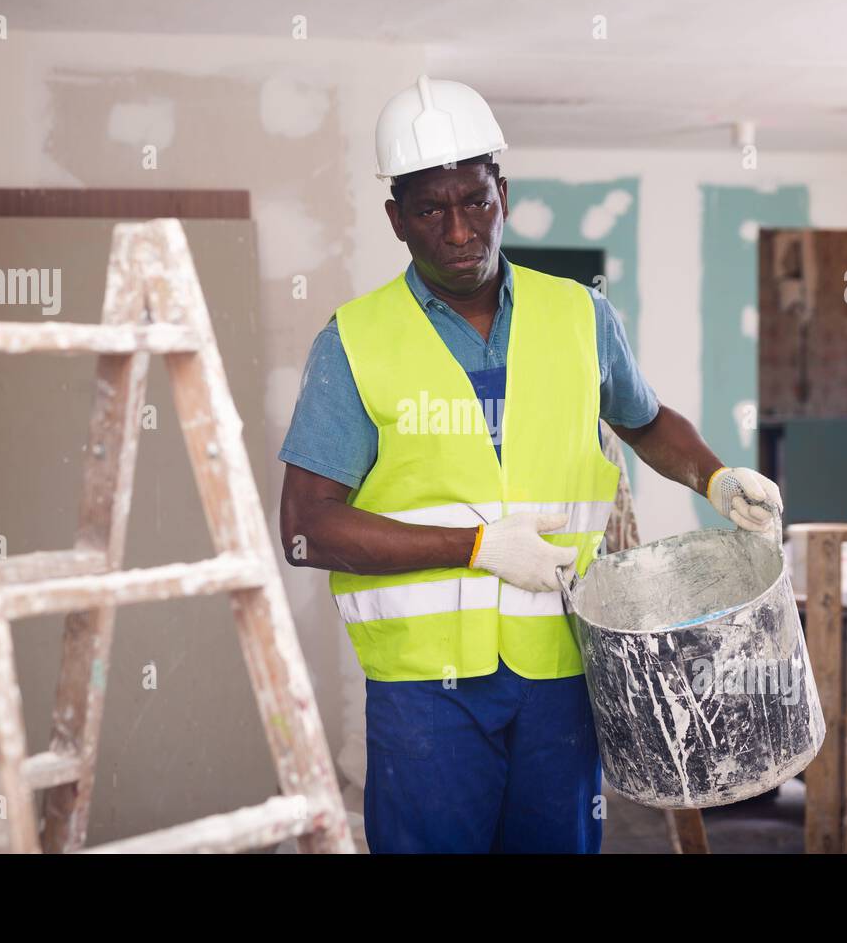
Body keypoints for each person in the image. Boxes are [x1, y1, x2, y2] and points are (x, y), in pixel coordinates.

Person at [278, 75, 781, 853]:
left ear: (502, 193)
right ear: (395, 220)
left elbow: (646, 422)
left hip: (563, 673)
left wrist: (715, 477)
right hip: (426, 694)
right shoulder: (353, 343)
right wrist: (476, 548)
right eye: (429, 210)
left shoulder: (580, 315)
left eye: (475, 200)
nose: (458, 230)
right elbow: (307, 529)